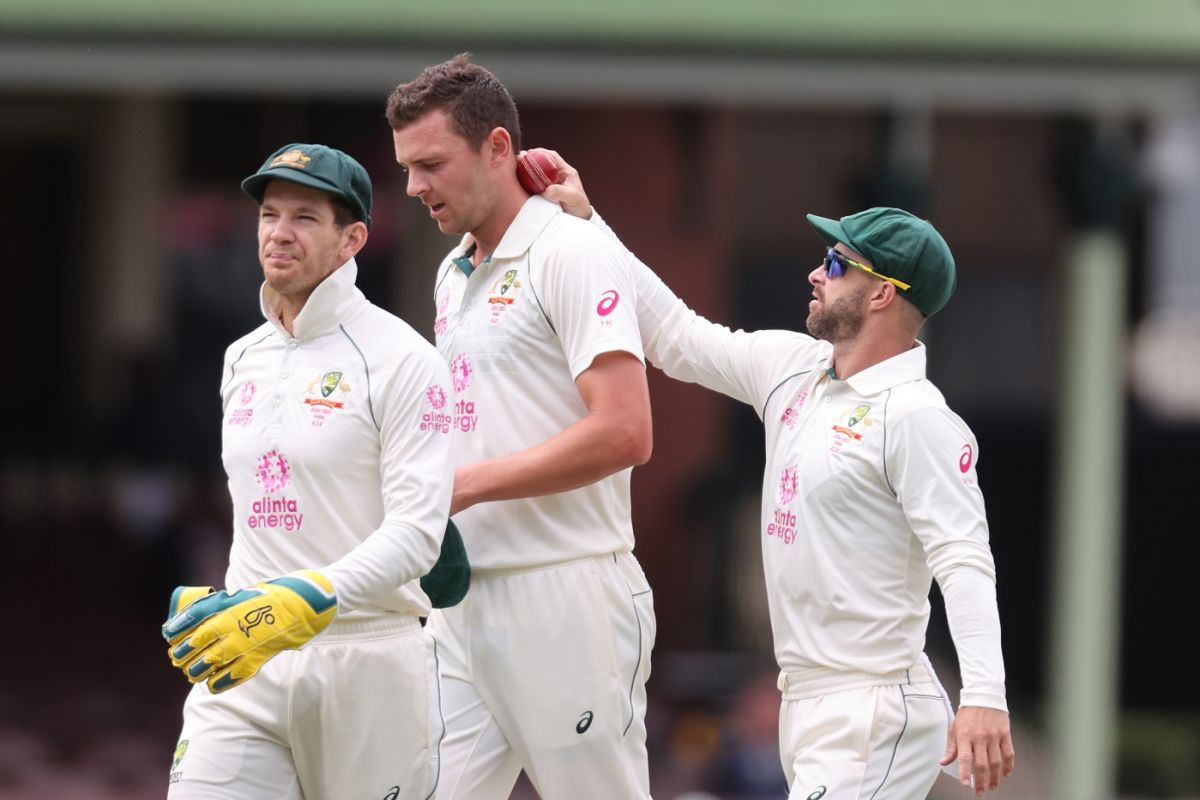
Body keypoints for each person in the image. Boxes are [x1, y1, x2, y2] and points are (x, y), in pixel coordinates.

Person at [537, 151, 1016, 798]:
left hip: (874, 708)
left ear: (882, 293)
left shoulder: (916, 417)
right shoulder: (792, 367)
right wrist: (589, 221)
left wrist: (984, 695)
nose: (817, 272)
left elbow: (963, 559)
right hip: (806, 700)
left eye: (839, 263)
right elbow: (676, 334)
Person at [385, 55, 657, 799]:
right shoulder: (452, 272)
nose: (413, 187)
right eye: (408, 167)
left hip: (567, 595)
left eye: (432, 163)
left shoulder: (572, 251)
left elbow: (627, 432)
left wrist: (464, 486)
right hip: (463, 601)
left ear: (498, 149)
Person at [160, 143, 455, 800]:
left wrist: (305, 597)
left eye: (304, 217)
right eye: (269, 215)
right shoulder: (241, 358)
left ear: (352, 239)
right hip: (247, 654)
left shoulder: (405, 361)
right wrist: (235, 593)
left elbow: (417, 535)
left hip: (369, 663)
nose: (279, 233)